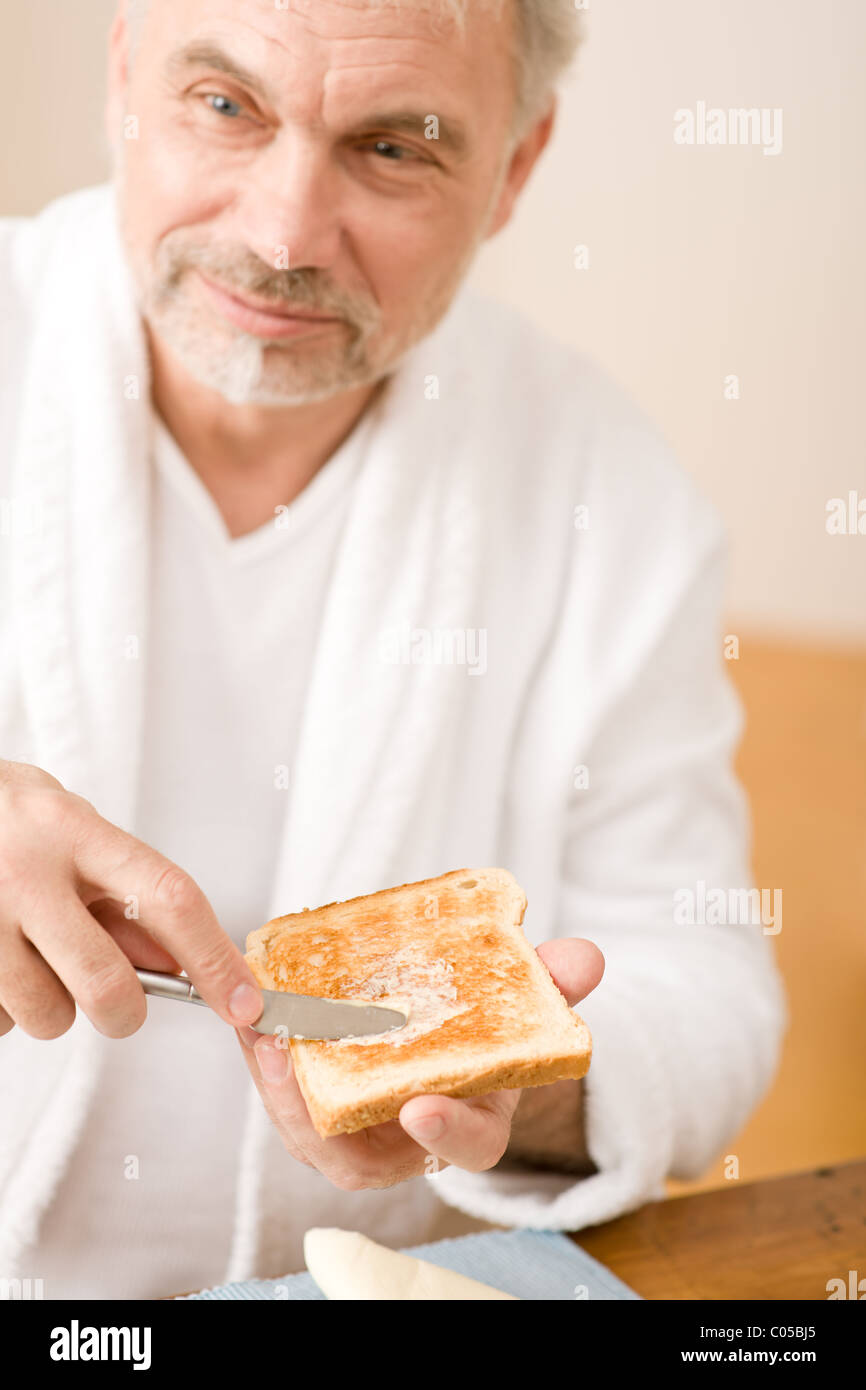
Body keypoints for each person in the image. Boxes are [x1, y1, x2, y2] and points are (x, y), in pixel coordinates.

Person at [0, 0, 786, 1299]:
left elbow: (705, 983)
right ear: (125, 71)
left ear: (513, 169)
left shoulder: (609, 492)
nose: (281, 235)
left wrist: (517, 1081)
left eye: (393, 147)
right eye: (223, 105)